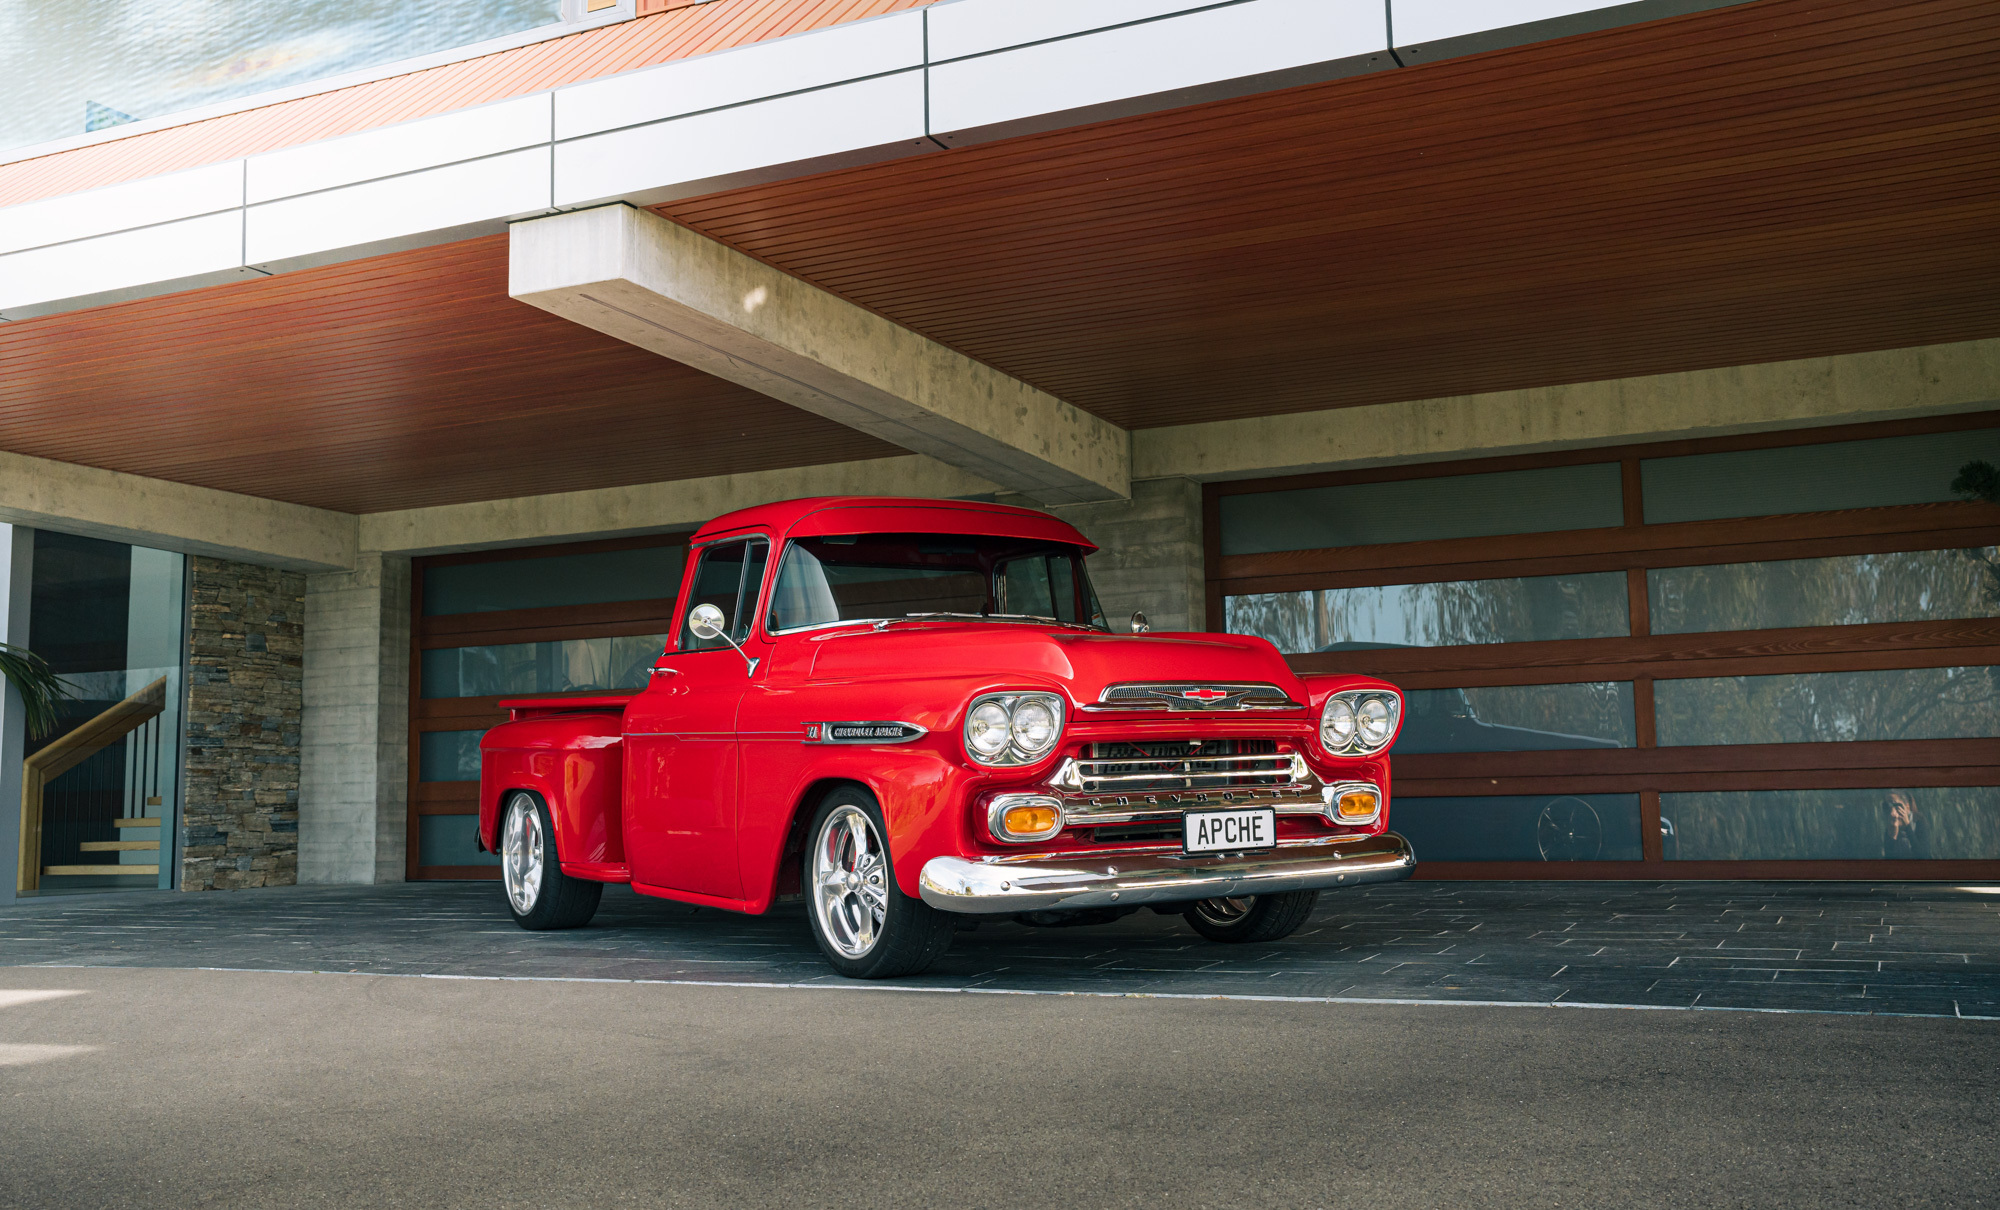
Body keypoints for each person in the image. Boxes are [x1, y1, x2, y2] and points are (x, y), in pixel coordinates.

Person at [1883, 789, 1930, 860]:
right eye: (1888, 807)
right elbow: (1889, 859)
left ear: (1907, 807)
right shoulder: (1891, 825)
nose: (1892, 813)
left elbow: (1923, 855)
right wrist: (1893, 836)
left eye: (1896, 806)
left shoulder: (1919, 822)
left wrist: (1908, 827)